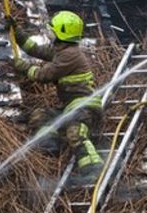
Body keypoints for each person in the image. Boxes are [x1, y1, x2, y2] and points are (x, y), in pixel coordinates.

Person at [7, 11, 104, 184]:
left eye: (52, 29)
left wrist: (23, 66)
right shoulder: (61, 51)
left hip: (85, 106)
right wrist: (16, 31)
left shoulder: (70, 55)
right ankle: (50, 146)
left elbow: (44, 75)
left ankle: (93, 168)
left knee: (75, 131)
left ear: (62, 32)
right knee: (40, 116)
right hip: (69, 107)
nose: (49, 32)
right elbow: (35, 49)